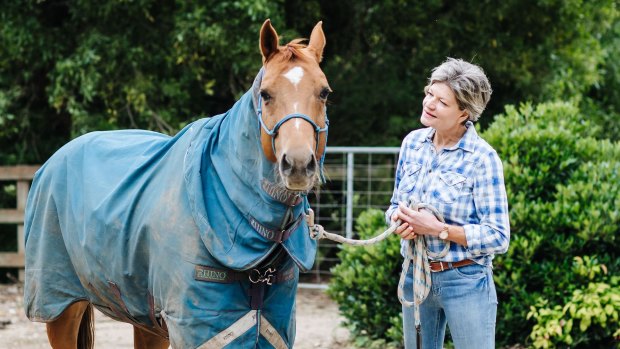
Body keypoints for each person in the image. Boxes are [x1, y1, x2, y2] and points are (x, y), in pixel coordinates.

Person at [385, 58, 510, 349]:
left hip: (465, 281)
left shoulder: (483, 158)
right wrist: (399, 221)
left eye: (442, 101)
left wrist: (439, 230)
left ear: (464, 112)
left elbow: (498, 236)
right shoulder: (412, 144)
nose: (429, 103)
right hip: (415, 277)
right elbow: (393, 206)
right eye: (430, 93)